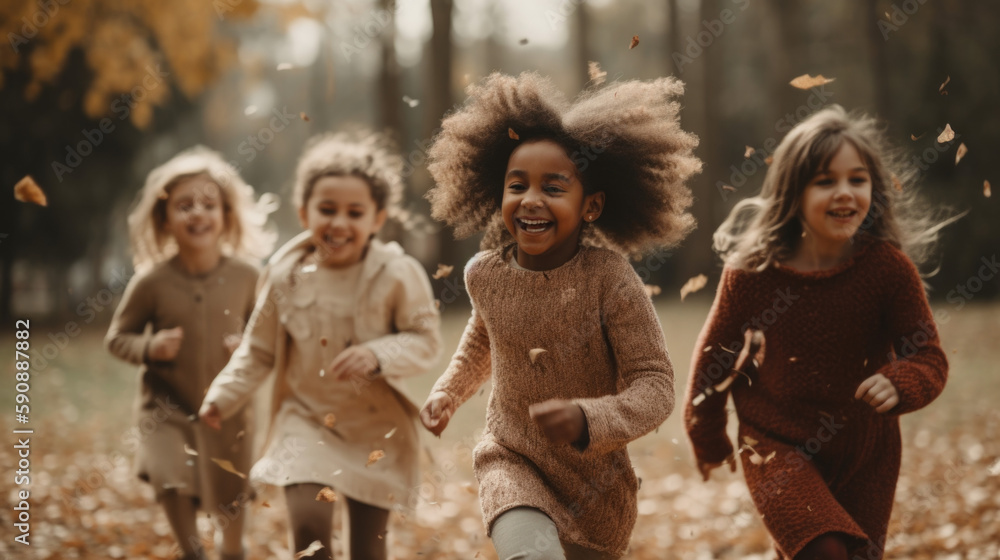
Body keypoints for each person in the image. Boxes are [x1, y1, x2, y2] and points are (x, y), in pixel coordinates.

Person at [419, 72, 701, 560]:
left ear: (590, 206)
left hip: (595, 485)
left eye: (553, 187)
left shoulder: (609, 280)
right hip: (510, 457)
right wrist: (448, 391)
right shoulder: (485, 274)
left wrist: (589, 417)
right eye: (517, 185)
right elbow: (484, 339)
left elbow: (655, 384)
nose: (531, 199)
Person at [684, 105, 951, 560]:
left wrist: (901, 380)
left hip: (866, 449)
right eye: (825, 181)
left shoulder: (888, 270)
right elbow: (713, 360)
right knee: (823, 551)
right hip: (773, 442)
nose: (845, 192)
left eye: (857, 179)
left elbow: (929, 356)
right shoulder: (752, 273)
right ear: (793, 192)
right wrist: (707, 436)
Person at [199, 131, 441, 560]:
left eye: (355, 212)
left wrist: (378, 353)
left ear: (377, 218)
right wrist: (222, 395)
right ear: (304, 211)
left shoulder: (398, 274)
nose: (339, 223)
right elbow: (257, 350)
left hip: (374, 431)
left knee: (368, 550)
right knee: (309, 529)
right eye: (327, 209)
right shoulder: (285, 277)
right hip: (306, 422)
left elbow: (426, 341)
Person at [106, 146, 276, 560]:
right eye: (184, 206)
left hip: (229, 414)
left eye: (208, 204)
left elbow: (269, 338)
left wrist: (246, 346)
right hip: (166, 410)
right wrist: (150, 347)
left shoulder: (248, 277)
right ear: (165, 219)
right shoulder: (151, 282)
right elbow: (118, 337)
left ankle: (232, 549)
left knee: (231, 500)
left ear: (226, 216)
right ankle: (191, 551)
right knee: (171, 477)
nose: (197, 213)